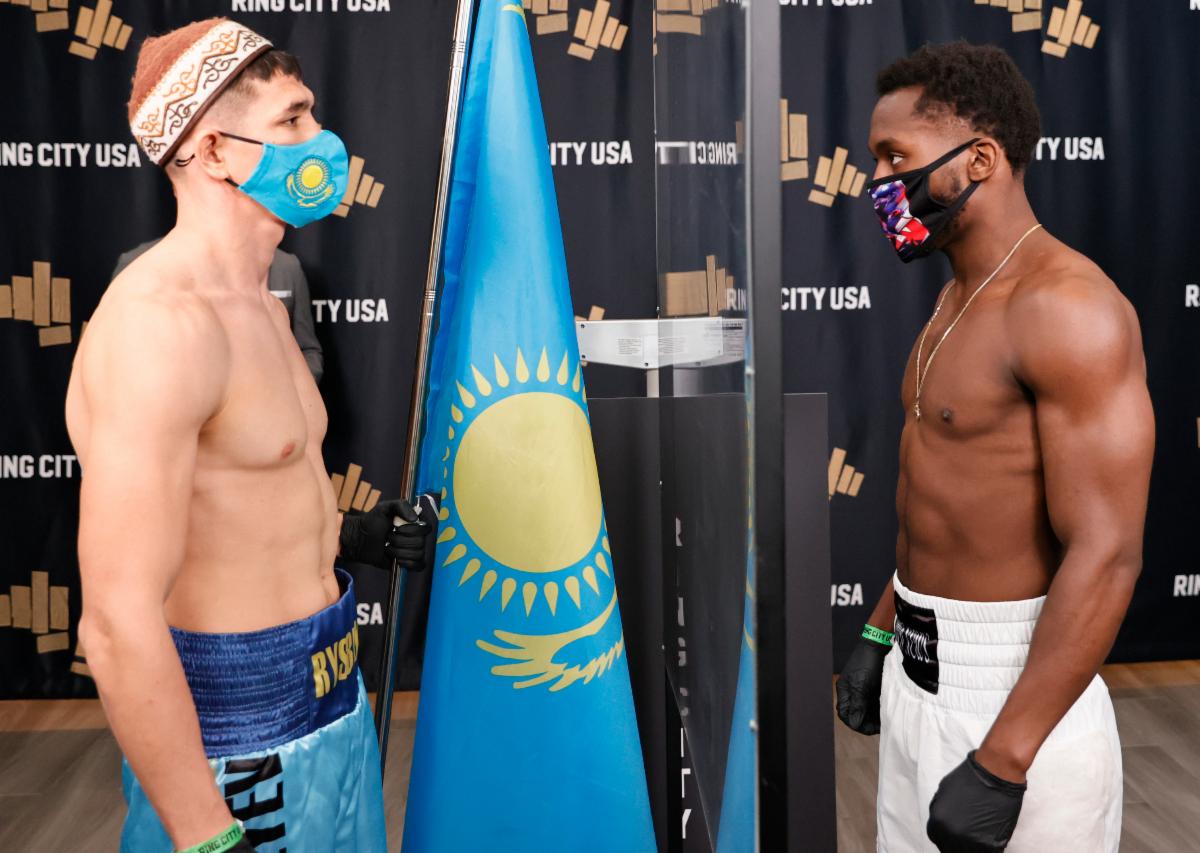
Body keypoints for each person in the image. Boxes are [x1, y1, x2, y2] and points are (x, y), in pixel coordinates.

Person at [64, 18, 430, 853]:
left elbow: (244, 504)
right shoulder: (161, 327)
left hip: (333, 703)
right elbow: (117, 621)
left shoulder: (264, 302)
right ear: (214, 151)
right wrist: (206, 836)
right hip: (238, 753)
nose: (324, 141)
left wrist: (353, 533)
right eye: (293, 120)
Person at [835, 42, 1154, 853]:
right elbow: (945, 501)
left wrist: (1005, 760)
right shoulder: (954, 301)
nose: (878, 184)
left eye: (894, 158)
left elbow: (1107, 552)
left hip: (1018, 696)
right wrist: (882, 631)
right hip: (919, 671)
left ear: (978, 160)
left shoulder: (1068, 307)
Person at [113, 242, 324, 384]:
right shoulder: (136, 263)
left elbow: (308, 352)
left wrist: (277, 392)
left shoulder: (285, 266)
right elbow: (113, 360)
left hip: (259, 433)